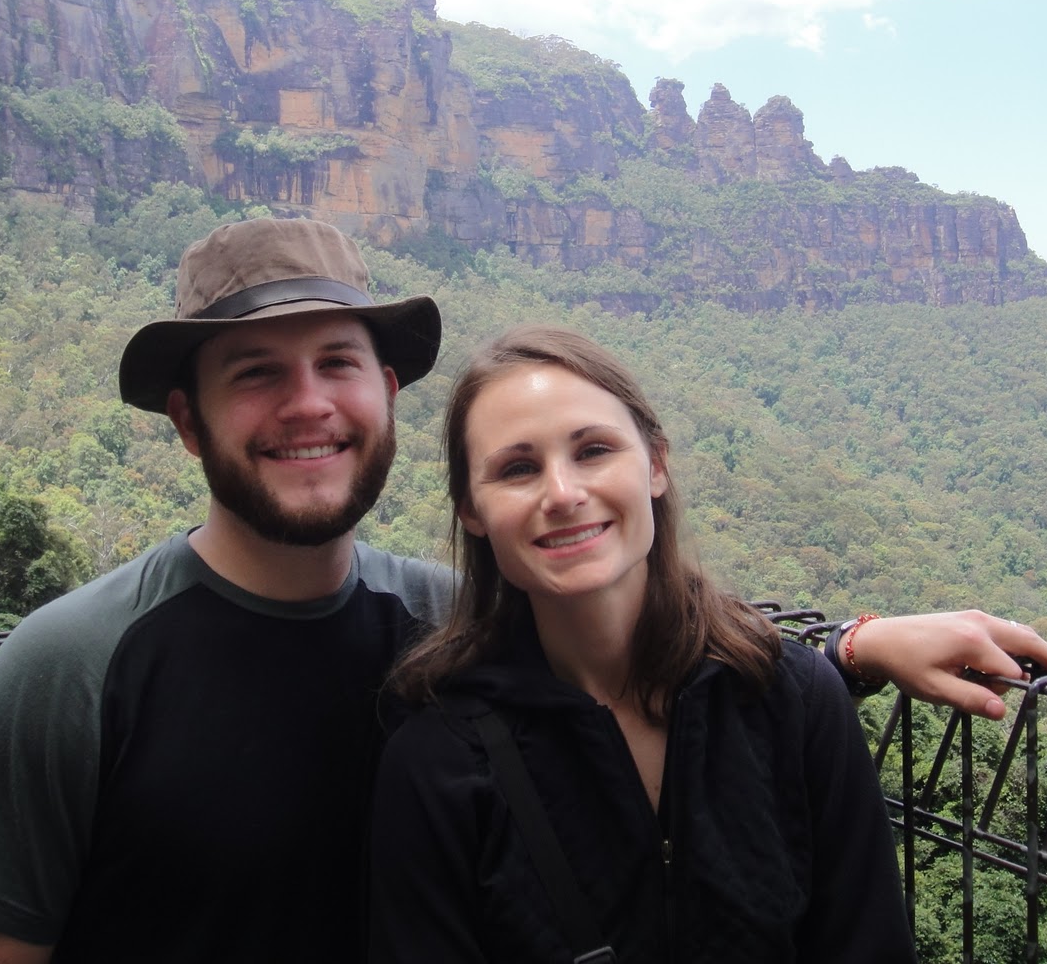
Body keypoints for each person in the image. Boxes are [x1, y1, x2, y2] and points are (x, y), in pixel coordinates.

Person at [0, 216, 1047, 962]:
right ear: (185, 419)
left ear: (387, 396)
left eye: (337, 364)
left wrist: (854, 648)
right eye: (254, 374)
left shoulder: (441, 628)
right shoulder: (76, 666)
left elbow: (640, 645)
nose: (306, 404)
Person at [369, 326, 919, 962]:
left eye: (594, 450)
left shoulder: (790, 703)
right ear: (472, 510)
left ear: (655, 464)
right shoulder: (439, 765)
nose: (564, 494)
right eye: (518, 469)